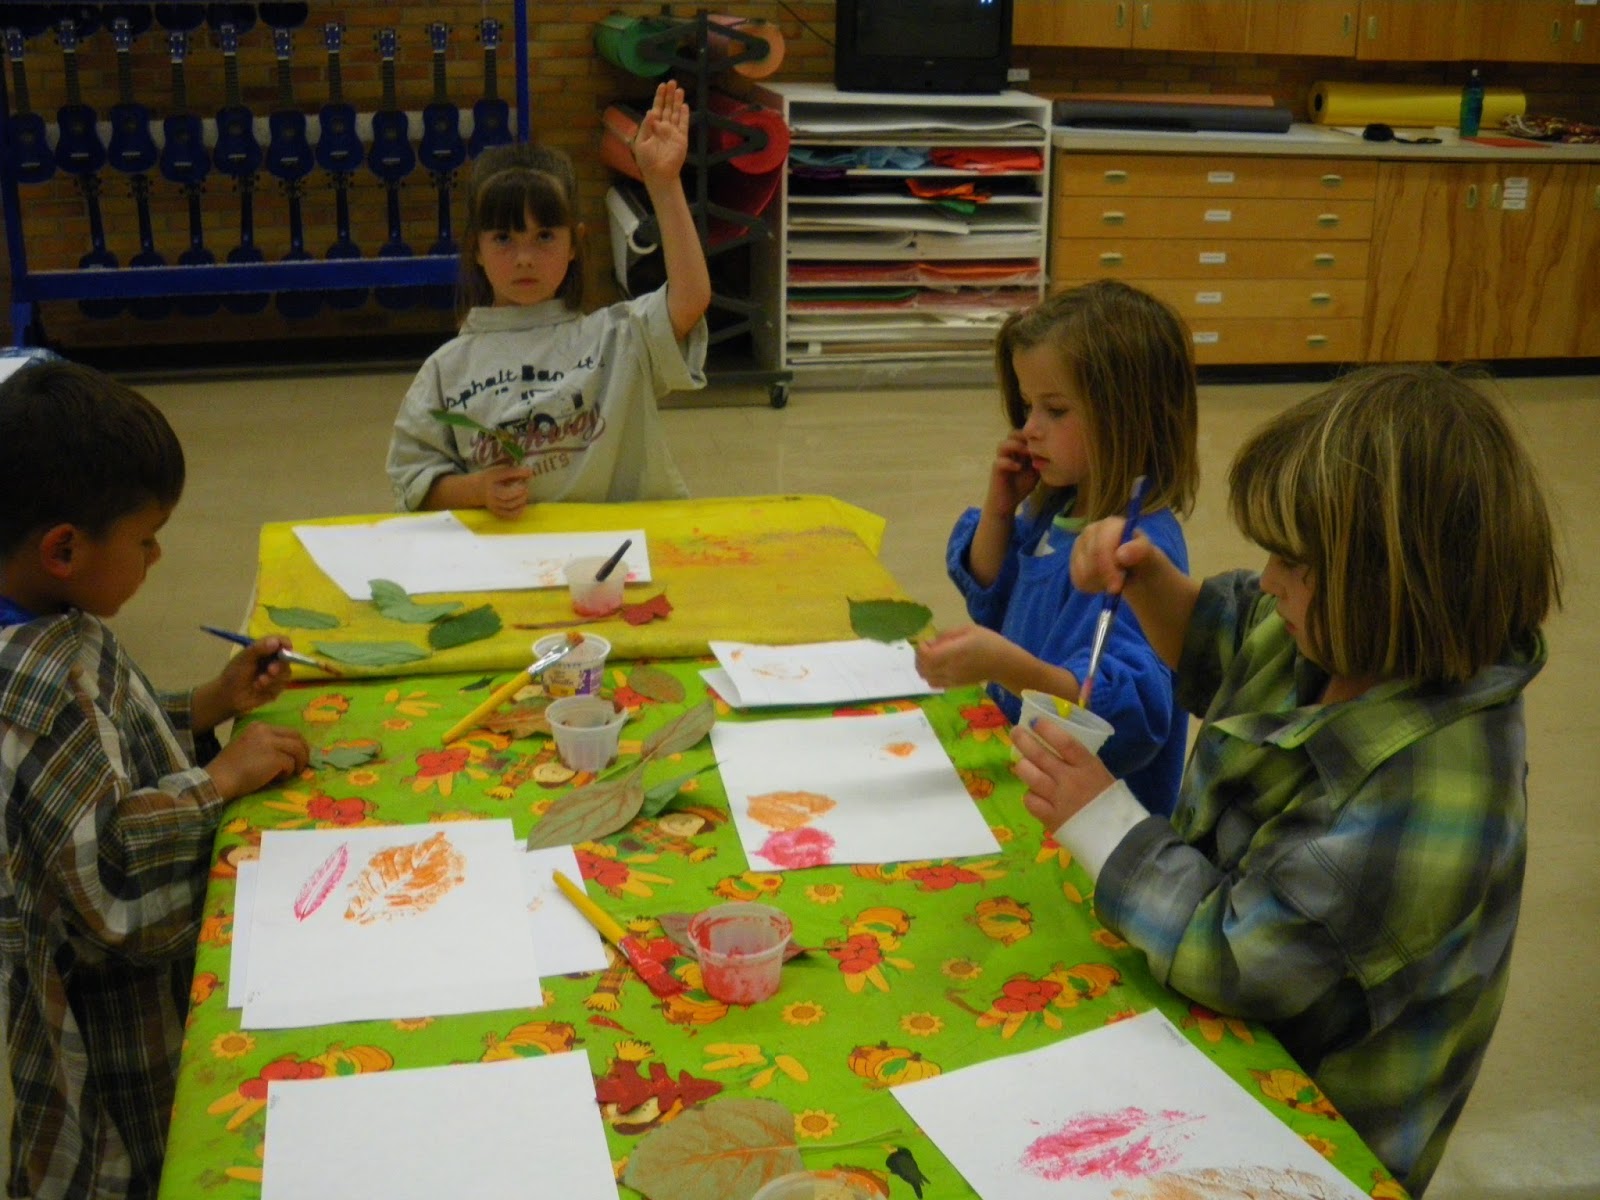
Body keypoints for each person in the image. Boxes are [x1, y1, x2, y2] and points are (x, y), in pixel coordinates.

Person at [1014, 364, 1561, 1195]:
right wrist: (1152, 582)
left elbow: (1237, 959)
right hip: (1202, 1045)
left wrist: (1103, 821)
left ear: (1393, 585)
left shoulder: (1433, 794)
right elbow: (1231, 639)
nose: (1267, 579)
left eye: (1292, 561)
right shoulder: (1344, 632)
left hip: (1305, 1142)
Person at [0, 362, 311, 1200]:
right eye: (145, 538)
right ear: (64, 549)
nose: (158, 556)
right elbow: (113, 884)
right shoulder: (34, 689)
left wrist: (207, 704)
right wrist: (217, 780)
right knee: (158, 1166)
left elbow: (102, 753)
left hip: (127, 1002)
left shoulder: (47, 614)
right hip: (117, 1036)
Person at [916, 280, 1199, 816]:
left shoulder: (1138, 553)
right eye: (1028, 407)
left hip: (1096, 824)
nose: (1029, 429)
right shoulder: (1059, 507)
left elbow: (1122, 719)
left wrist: (1006, 666)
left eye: (1056, 410)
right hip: (1029, 778)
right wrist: (1000, 512)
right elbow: (993, 599)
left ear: (1128, 417)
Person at [387, 81, 712, 518]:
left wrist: (663, 183)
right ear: (476, 249)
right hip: (506, 552)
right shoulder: (445, 371)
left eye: (544, 237)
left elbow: (690, 299)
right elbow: (414, 485)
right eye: (504, 238)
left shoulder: (618, 338)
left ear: (575, 243)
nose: (524, 258)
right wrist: (477, 489)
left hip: (618, 550)